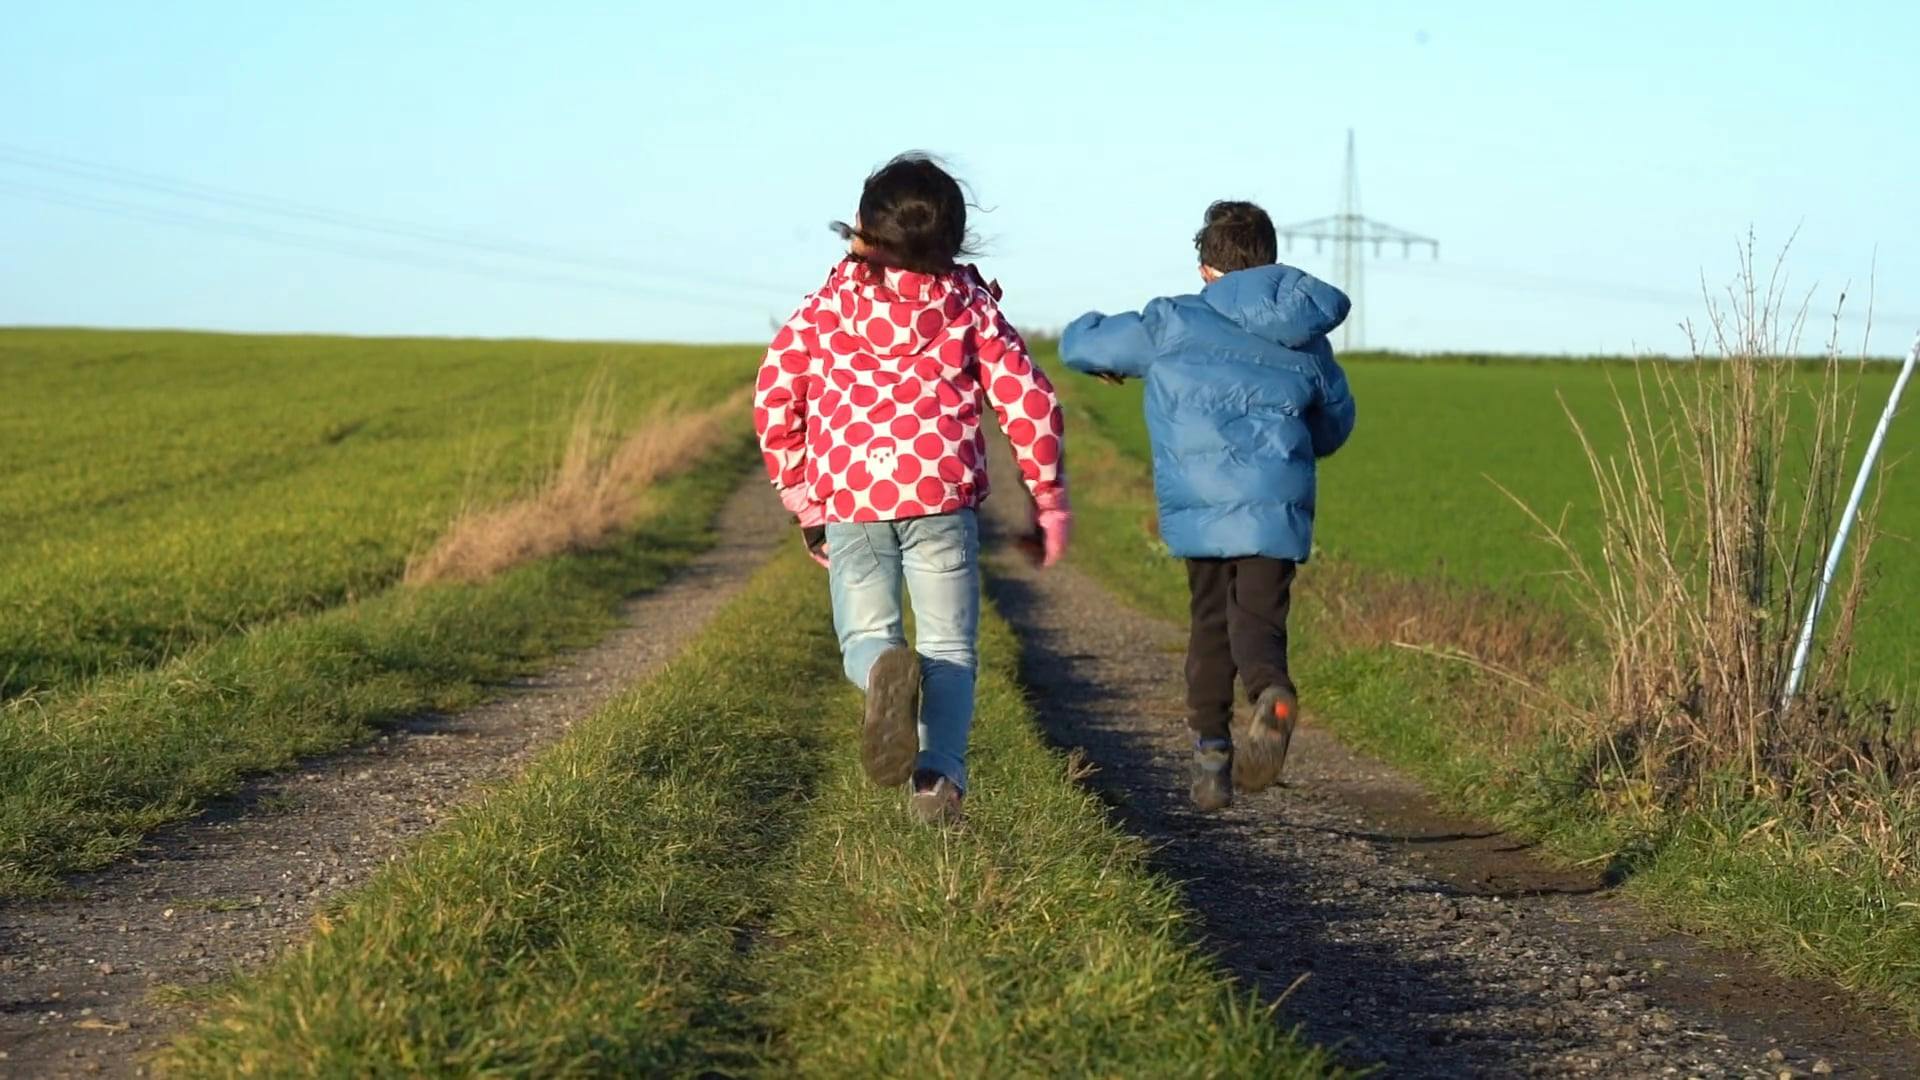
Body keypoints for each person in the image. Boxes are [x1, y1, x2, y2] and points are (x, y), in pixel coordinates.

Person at [753, 152, 1070, 825]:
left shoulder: (825, 308)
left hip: (853, 500)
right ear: (954, 239)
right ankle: (938, 781)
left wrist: (803, 499)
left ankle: (880, 680)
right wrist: (1046, 498)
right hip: (941, 499)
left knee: (868, 632)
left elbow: (776, 397)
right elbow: (1029, 402)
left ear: (865, 233)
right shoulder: (971, 308)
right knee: (951, 647)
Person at [1059, 200, 1354, 811]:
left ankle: (1211, 760)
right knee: (1259, 625)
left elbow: (1080, 346)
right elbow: (1333, 427)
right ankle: (1271, 694)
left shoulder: (1173, 322)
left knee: (1209, 627)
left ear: (1206, 268)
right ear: (1270, 260)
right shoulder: (1306, 334)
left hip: (1200, 509)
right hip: (1275, 508)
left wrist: (1110, 363)